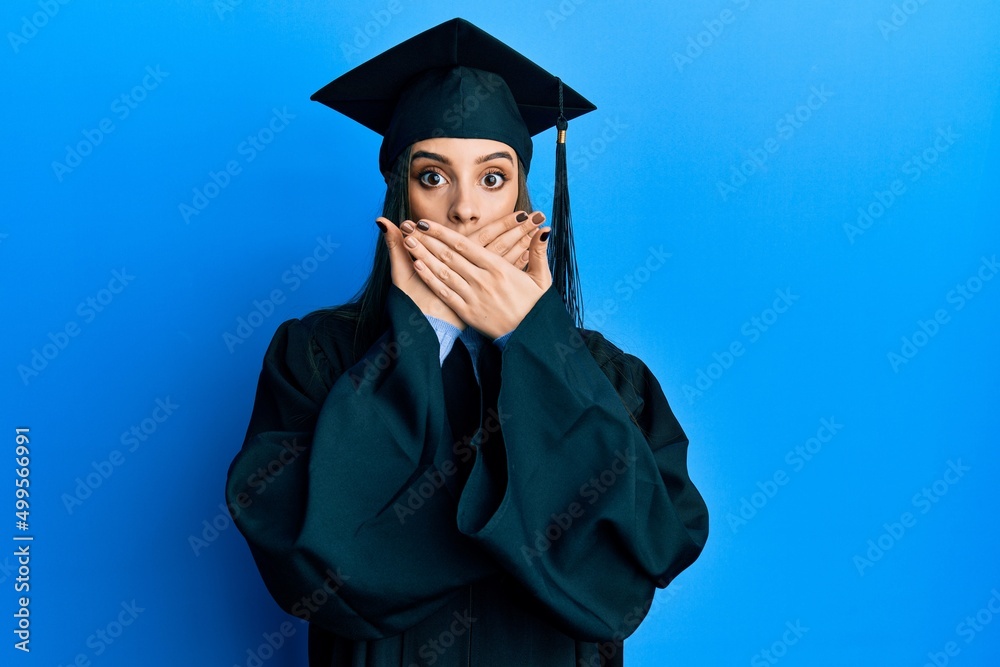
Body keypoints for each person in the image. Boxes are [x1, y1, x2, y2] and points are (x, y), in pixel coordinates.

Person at [225, 17, 709, 667]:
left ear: (524, 200)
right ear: (399, 196)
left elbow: (635, 561)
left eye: (491, 177)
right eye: (432, 177)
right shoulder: (316, 355)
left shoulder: (599, 370)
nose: (463, 209)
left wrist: (530, 339)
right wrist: (425, 337)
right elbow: (307, 562)